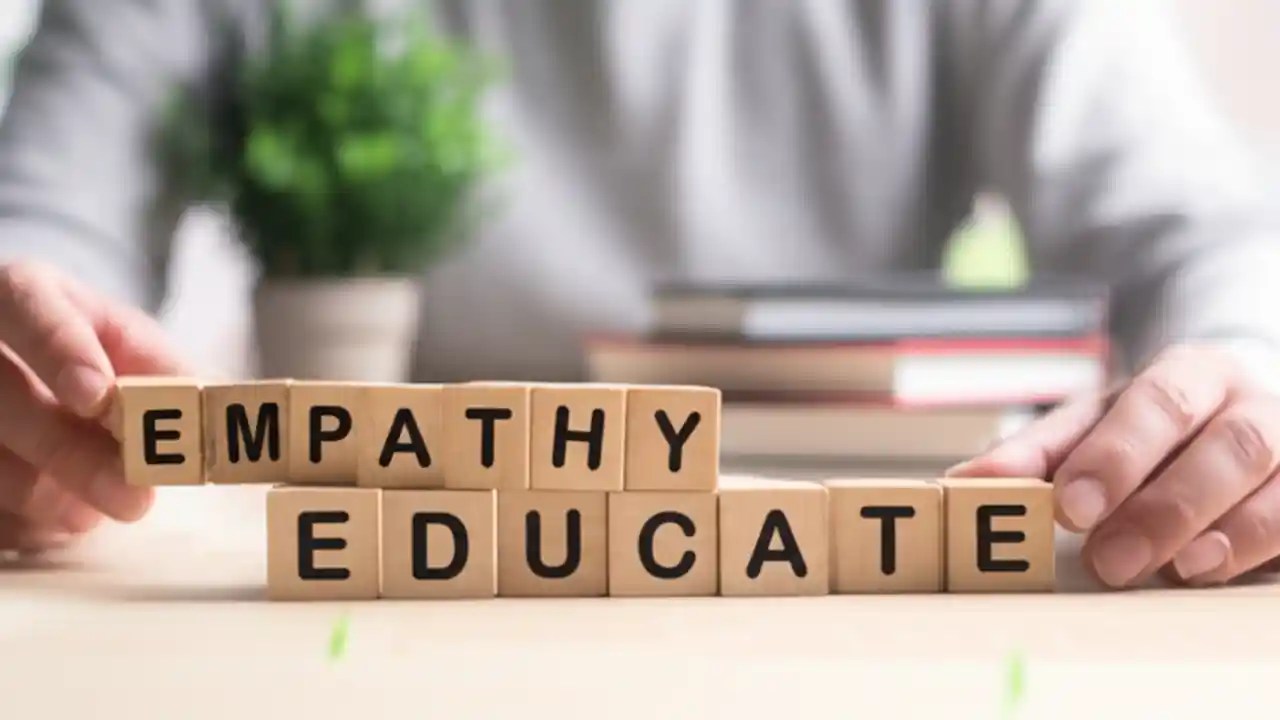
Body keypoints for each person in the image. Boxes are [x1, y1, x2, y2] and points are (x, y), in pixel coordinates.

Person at [0, 0, 1277, 590]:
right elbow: (45, 217)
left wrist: (1237, 372)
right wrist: (35, 364)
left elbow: (1207, 230)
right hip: (393, 599)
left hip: (827, 623)